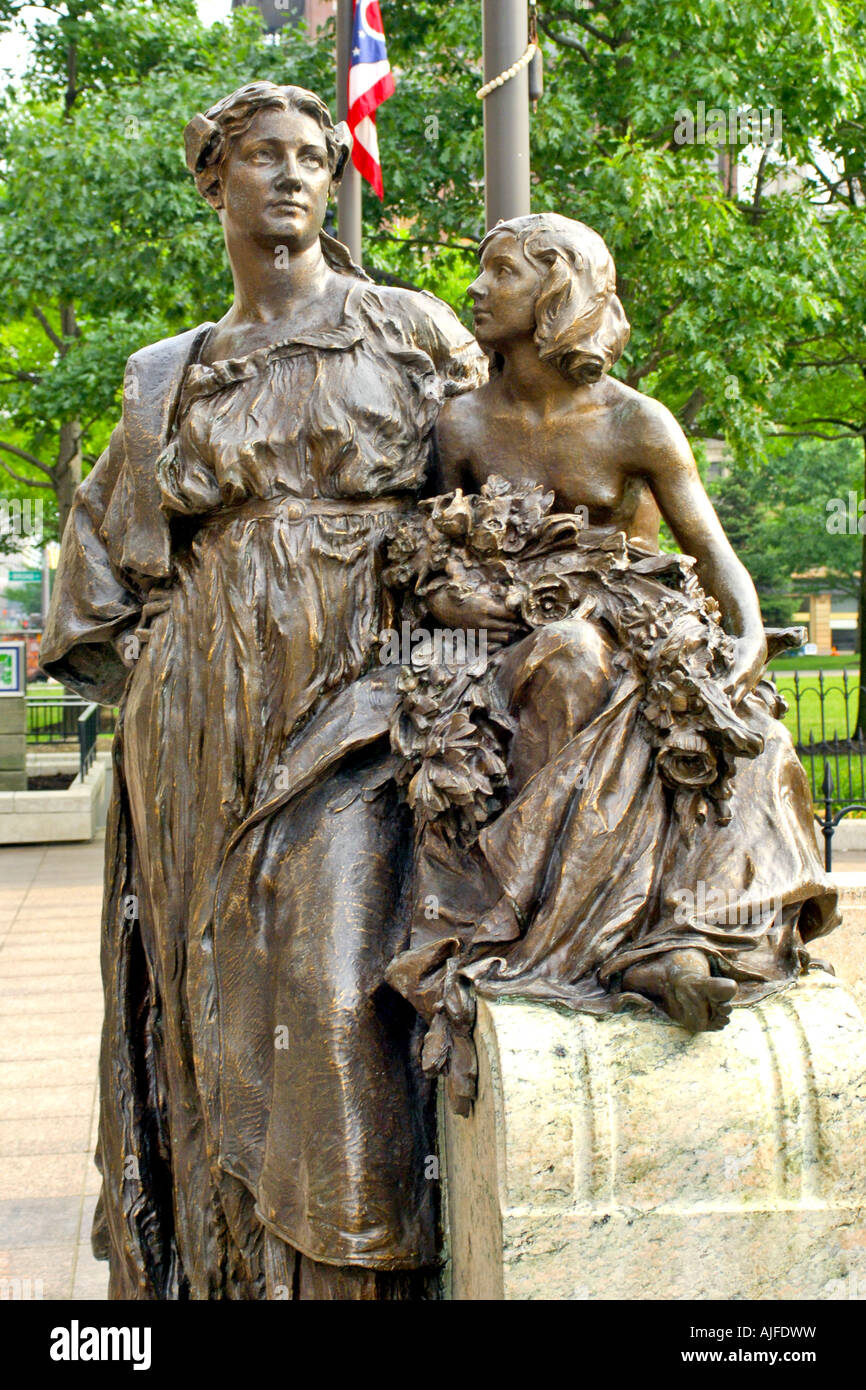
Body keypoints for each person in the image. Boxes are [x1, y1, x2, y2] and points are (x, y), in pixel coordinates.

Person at [40, 81, 486, 1300]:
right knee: (206, 996)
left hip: (366, 704)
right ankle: (228, 1277)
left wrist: (442, 675)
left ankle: (353, 1285)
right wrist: (170, 694)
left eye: (313, 155)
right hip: (199, 728)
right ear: (214, 181)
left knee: (337, 998)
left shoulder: (407, 329)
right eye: (263, 157)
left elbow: (500, 504)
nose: (293, 175)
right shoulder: (164, 376)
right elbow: (93, 595)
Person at [385, 214, 838, 1083]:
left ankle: (684, 939)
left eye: (501, 273)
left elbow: (717, 559)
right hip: (517, 662)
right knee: (569, 655)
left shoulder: (636, 422)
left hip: (648, 642)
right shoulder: (463, 427)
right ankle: (567, 934)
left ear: (556, 292)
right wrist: (445, 597)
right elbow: (427, 557)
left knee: (759, 744)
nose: (476, 290)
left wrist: (743, 647)